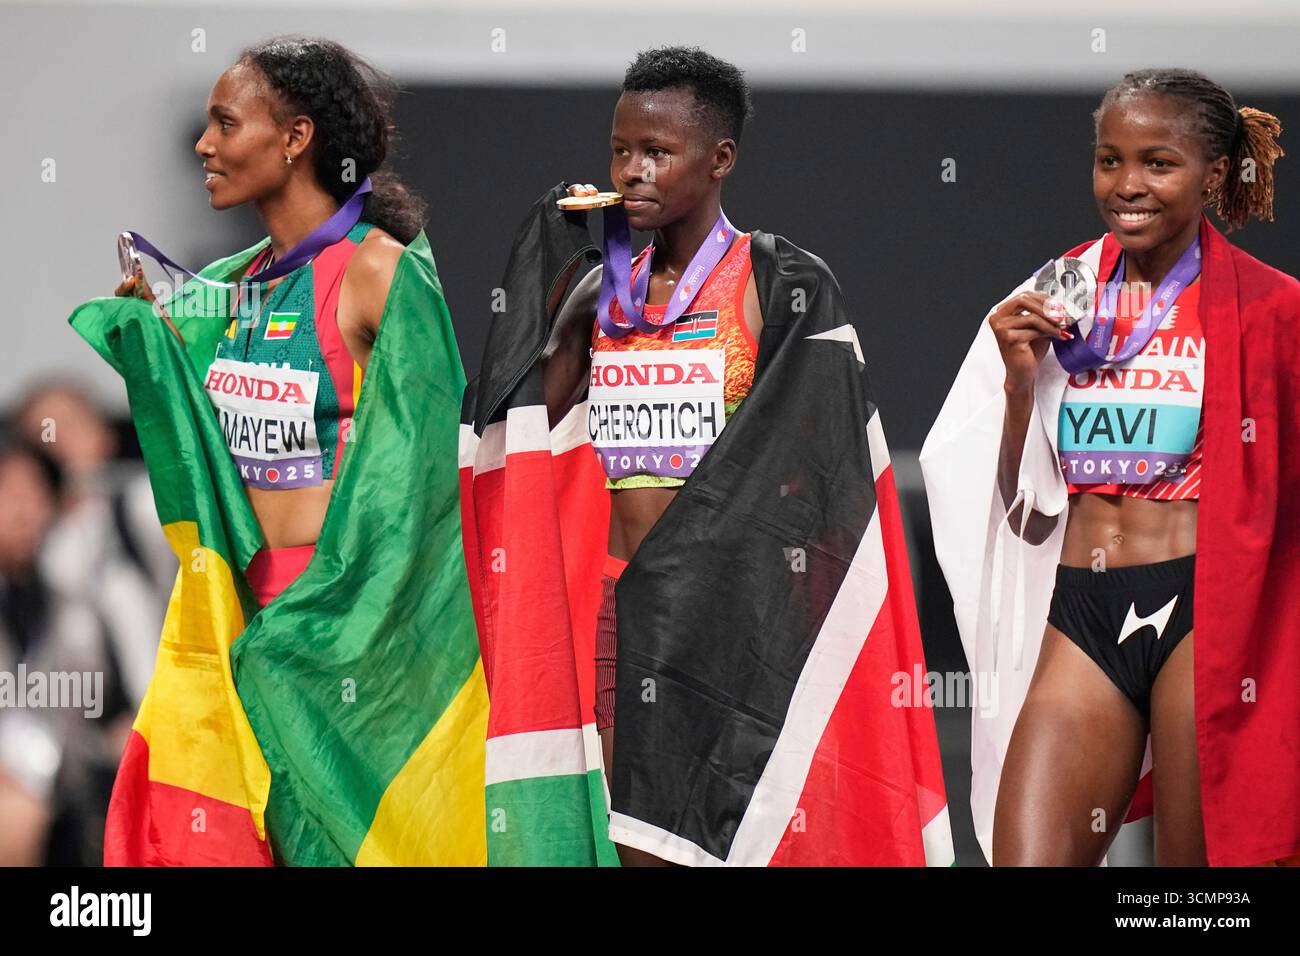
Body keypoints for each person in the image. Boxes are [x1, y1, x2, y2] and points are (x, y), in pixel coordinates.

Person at [465, 46, 950, 868]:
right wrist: (545, 262)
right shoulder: (598, 293)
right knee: (642, 842)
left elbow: (818, 462)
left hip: (740, 613)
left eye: (659, 152)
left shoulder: (777, 280)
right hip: (629, 608)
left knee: (743, 839)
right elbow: (521, 425)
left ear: (720, 158)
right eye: (622, 150)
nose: (634, 170)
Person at [921, 68, 1300, 866]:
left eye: (1158, 162)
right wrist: (1019, 386)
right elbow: (1020, 515)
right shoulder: (1054, 297)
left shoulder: (1271, 310)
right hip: (1085, 611)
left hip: (1206, 613)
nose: (1128, 185)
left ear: (1216, 173)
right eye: (1109, 159)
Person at [116, 36, 421, 607]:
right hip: (236, 604)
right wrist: (154, 344)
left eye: (225, 125)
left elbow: (431, 457)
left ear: (294, 137)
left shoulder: (376, 269)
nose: (204, 146)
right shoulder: (233, 284)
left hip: (340, 612)